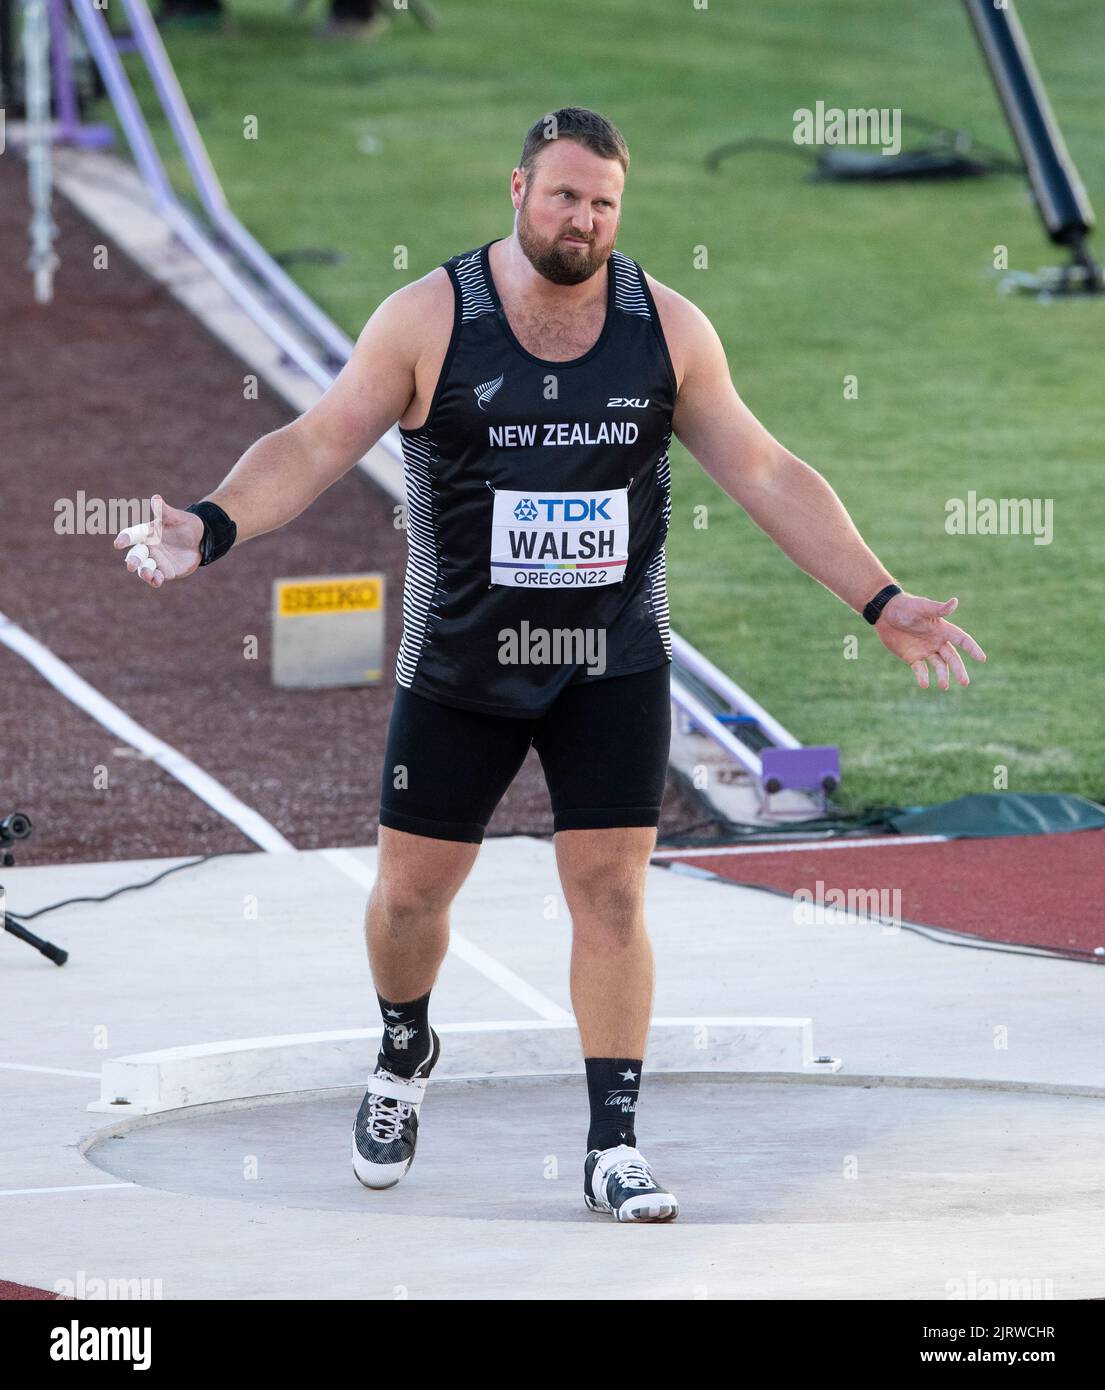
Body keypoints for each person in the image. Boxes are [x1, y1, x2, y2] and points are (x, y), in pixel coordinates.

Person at [113, 106, 986, 1223]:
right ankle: (401, 1050)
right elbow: (317, 442)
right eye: (565, 195)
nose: (584, 220)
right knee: (410, 897)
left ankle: (612, 1142)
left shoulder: (666, 329)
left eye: (605, 204)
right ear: (517, 189)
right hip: (463, 666)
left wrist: (879, 596)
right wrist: (211, 523)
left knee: (612, 894)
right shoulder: (429, 317)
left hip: (609, 663)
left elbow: (766, 471)